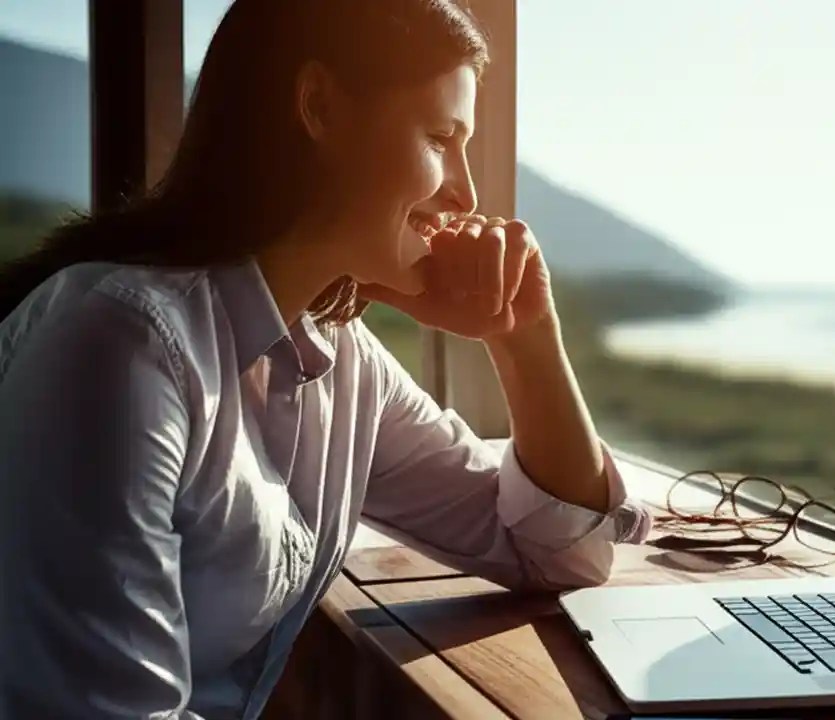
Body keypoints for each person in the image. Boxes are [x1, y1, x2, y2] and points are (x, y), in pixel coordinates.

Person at [0, 1, 652, 718]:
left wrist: (525, 334)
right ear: (319, 107)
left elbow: (561, 554)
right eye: (441, 137)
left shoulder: (340, 364)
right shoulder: (124, 346)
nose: (466, 192)